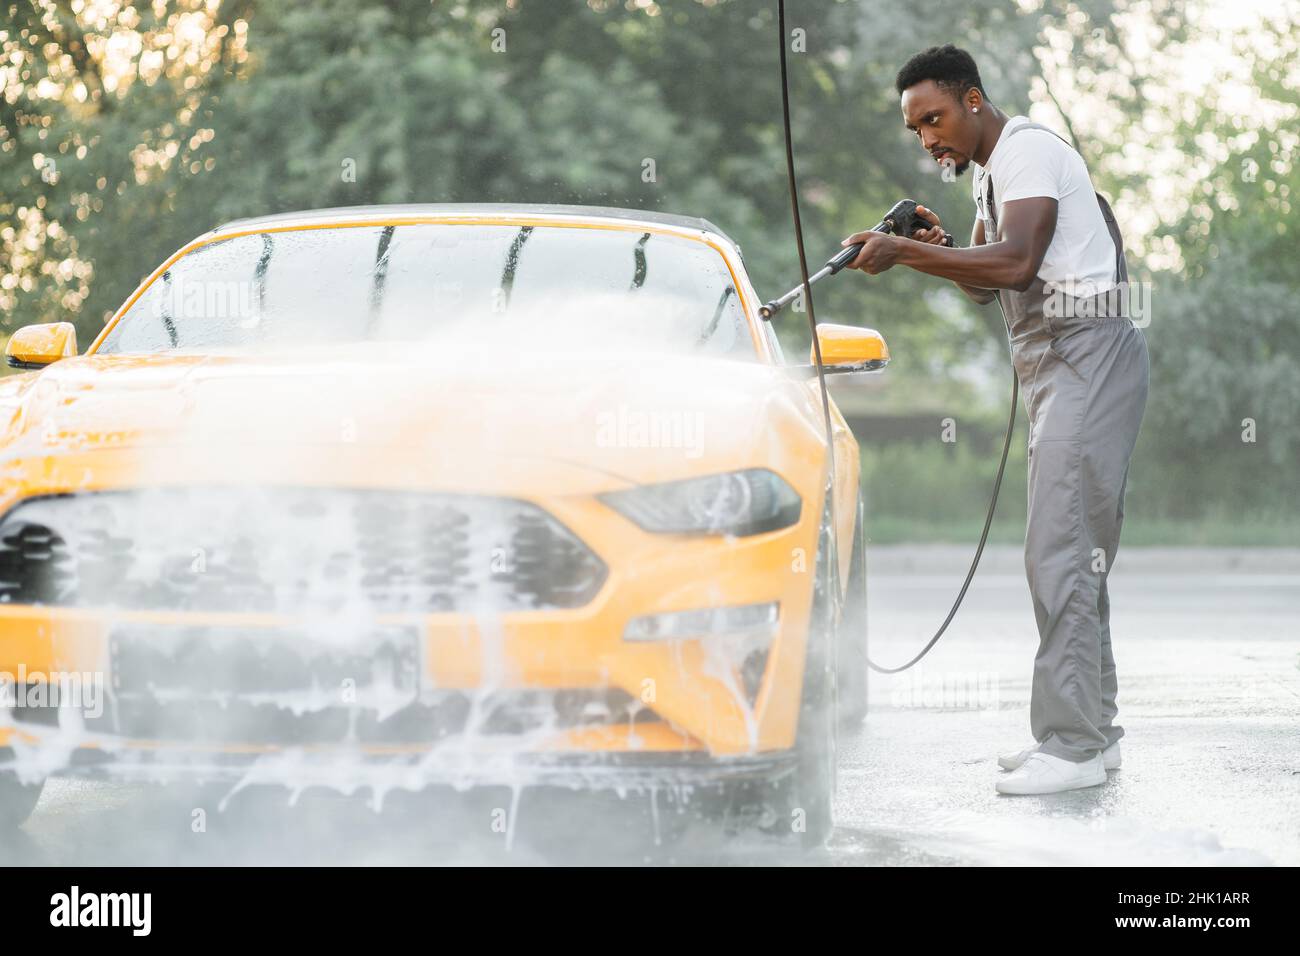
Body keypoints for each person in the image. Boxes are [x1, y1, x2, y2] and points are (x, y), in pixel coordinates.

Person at [841, 44, 1150, 795]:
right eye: (916, 129)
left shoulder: (1029, 154)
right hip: (1055, 364)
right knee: (1076, 548)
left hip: (1086, 351)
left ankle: (1070, 747)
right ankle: (1096, 735)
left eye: (935, 118)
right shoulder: (991, 177)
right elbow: (991, 284)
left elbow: (1015, 264)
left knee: (1060, 549)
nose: (928, 140)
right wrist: (935, 247)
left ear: (973, 99)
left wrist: (905, 253)